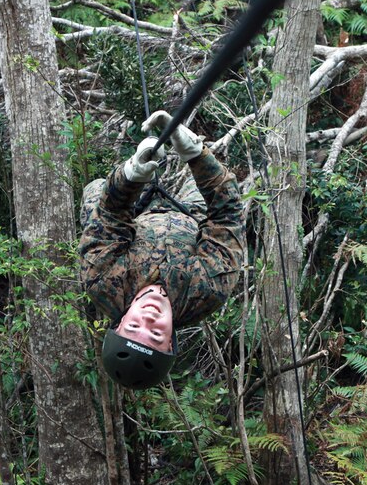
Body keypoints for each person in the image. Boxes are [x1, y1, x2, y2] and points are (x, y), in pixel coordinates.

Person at [80, 110, 244, 389]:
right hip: (190, 219)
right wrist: (194, 152)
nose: (149, 318)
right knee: (214, 174)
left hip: (135, 223)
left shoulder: (101, 280)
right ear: (171, 339)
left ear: (119, 324)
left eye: (134, 327)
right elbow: (227, 214)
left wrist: (131, 175)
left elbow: (110, 215)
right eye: (156, 334)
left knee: (96, 192)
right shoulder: (208, 291)